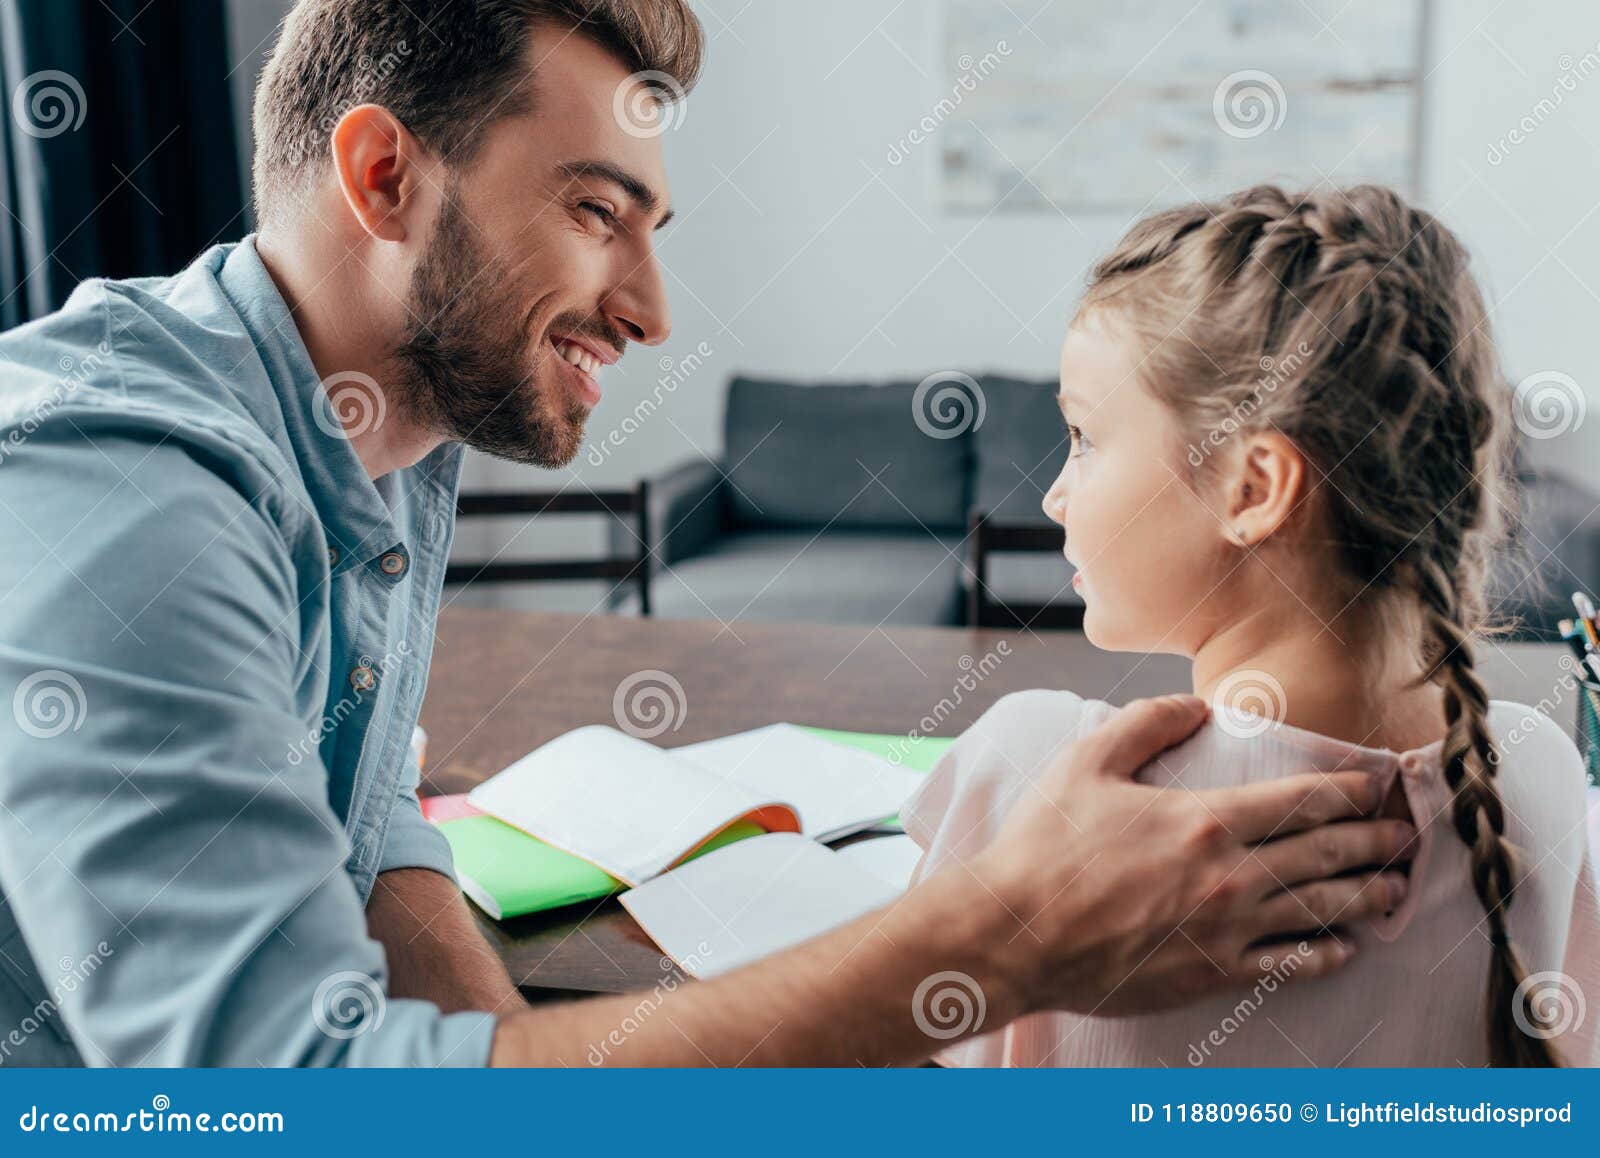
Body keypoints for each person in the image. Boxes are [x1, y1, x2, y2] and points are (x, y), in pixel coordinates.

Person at [0, 2, 1412, 1067]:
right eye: (596, 212)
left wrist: (511, 1063)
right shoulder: (124, 491)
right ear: (383, 178)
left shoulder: (391, 431)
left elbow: (364, 821)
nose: (653, 307)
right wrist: (998, 938)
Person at [906, 184, 1600, 1068]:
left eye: (1083, 437)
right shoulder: (1531, 771)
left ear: (1254, 488)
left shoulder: (1035, 765)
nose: (1054, 493)